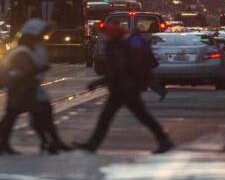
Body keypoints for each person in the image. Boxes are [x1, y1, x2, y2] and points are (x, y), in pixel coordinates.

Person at [73, 22, 175, 154]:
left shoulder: (116, 46)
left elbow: (118, 69)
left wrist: (99, 82)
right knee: (131, 116)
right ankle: (164, 140)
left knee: (120, 116)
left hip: (123, 88)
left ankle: (164, 140)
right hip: (125, 87)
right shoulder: (123, 44)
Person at [0, 19, 71, 155]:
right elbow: (28, 70)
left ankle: (49, 142)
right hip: (21, 89)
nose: (43, 37)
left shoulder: (32, 48)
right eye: (40, 35)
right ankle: (50, 142)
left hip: (28, 88)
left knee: (33, 114)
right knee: (24, 115)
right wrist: (42, 68)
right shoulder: (22, 51)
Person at [127, 20, 167, 100]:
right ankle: (160, 90)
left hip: (139, 64)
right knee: (147, 80)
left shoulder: (135, 40)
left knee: (141, 80)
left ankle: (132, 97)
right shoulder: (140, 39)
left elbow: (136, 52)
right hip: (143, 63)